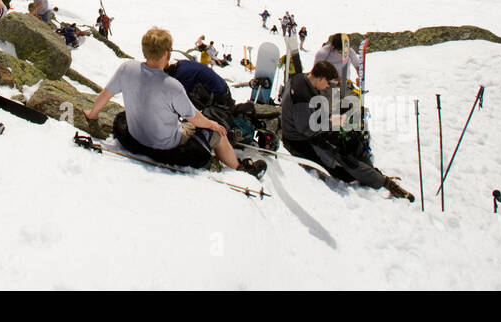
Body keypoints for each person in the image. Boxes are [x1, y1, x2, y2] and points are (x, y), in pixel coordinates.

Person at [84, 27, 264, 177]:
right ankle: (241, 169)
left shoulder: (126, 68)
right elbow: (196, 119)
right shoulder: (172, 86)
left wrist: (92, 114)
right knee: (217, 134)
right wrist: (213, 125)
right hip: (167, 147)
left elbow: (105, 95)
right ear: (166, 54)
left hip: (134, 138)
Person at [280, 60, 413, 200]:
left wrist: (330, 120)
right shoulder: (301, 97)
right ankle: (381, 181)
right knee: (344, 167)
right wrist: (330, 123)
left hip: (309, 129)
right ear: (320, 78)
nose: (326, 87)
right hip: (300, 141)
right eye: (327, 83)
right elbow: (307, 130)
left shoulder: (302, 79)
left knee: (349, 140)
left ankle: (373, 174)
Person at [166, 56, 234, 108]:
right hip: (223, 86)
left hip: (219, 94)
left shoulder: (181, 75)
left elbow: (184, 97)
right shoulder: (181, 63)